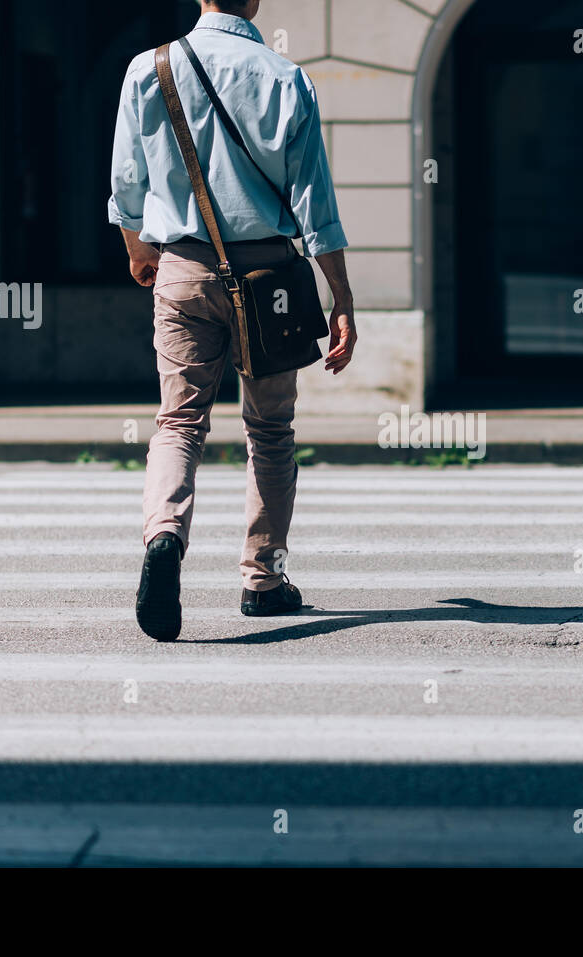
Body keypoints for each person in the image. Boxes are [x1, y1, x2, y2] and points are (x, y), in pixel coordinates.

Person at [107, 0, 357, 641]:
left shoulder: (147, 69)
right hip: (270, 277)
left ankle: (164, 537)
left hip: (183, 269)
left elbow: (127, 185)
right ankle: (263, 579)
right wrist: (342, 298)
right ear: (255, 2)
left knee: (178, 421)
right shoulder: (285, 77)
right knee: (270, 428)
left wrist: (142, 254)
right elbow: (314, 200)